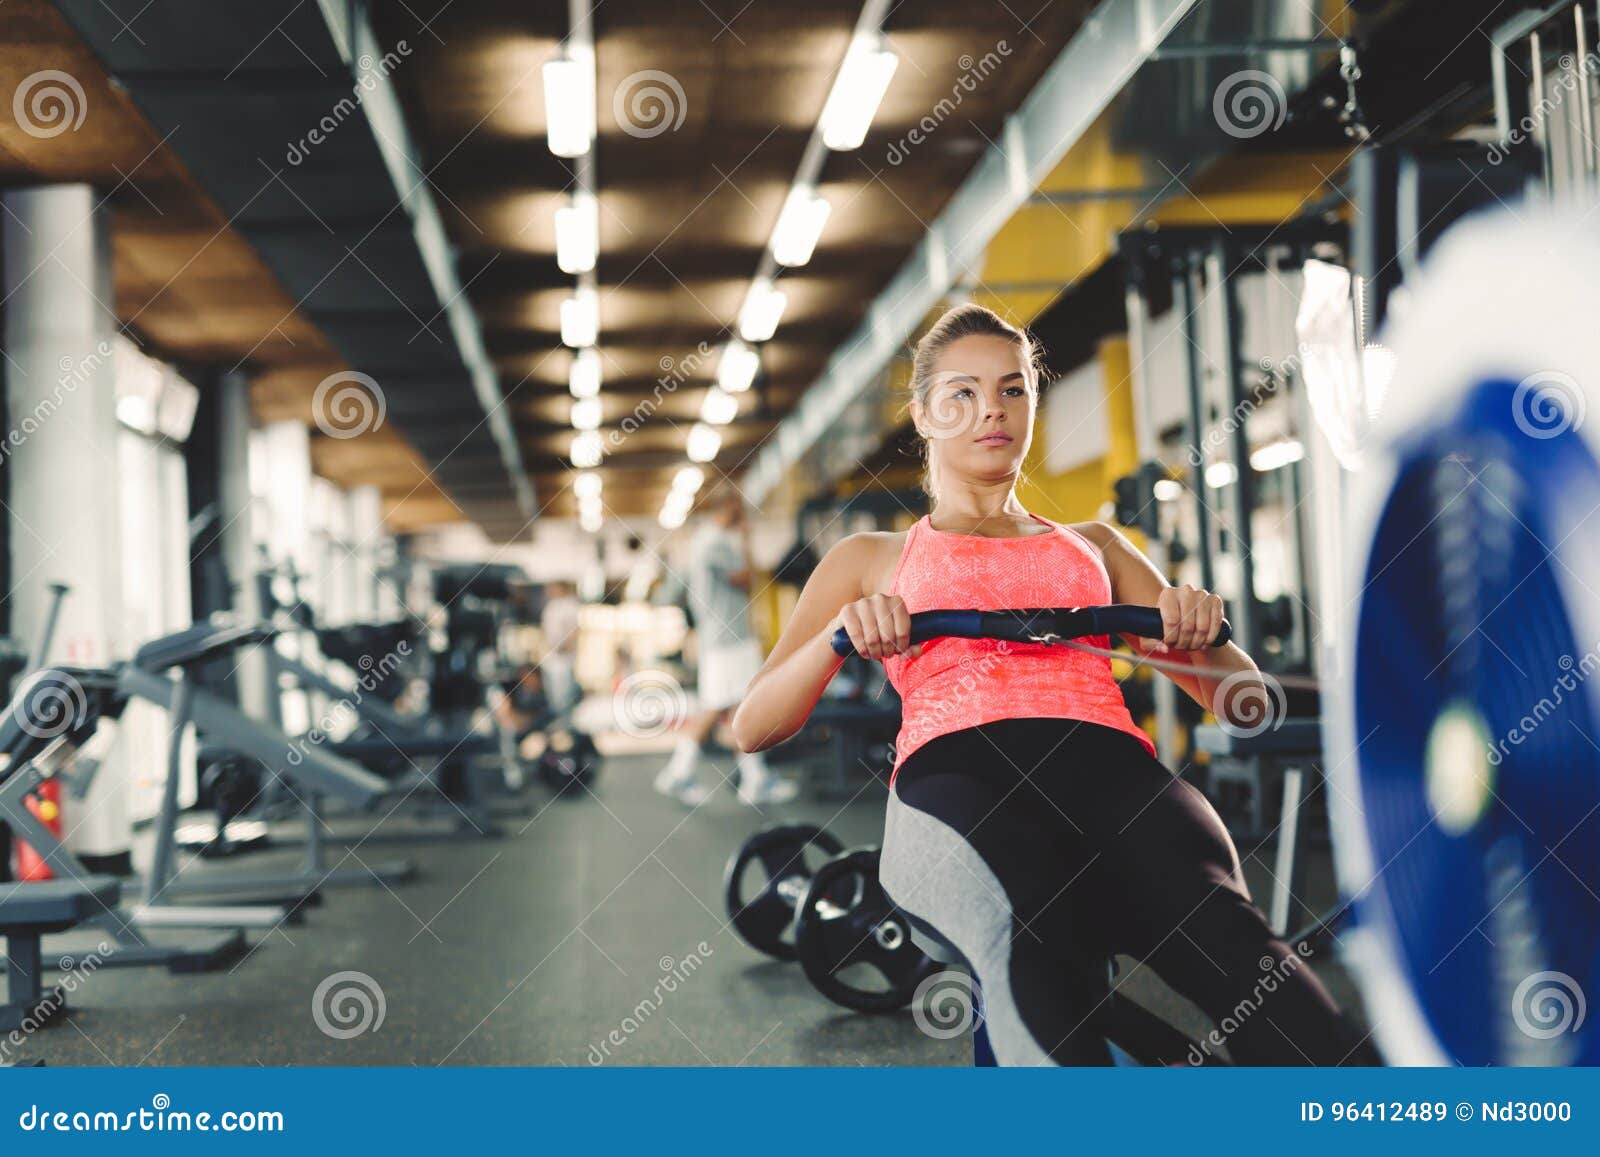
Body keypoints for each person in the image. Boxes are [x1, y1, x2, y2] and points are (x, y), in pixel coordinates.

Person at [731, 303, 1375, 1066]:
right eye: (964, 393)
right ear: (923, 415)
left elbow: (1248, 706)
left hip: (1115, 778)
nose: (993, 410)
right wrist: (841, 634)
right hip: (960, 783)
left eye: (1013, 389)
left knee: (1235, 945)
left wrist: (1205, 632)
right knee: (1033, 932)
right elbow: (754, 725)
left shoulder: (1096, 546)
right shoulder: (869, 557)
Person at [655, 489, 797, 807]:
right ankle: (679, 772)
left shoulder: (706, 541)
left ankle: (752, 779)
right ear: (729, 506)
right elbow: (747, 579)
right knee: (726, 706)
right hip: (728, 640)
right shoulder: (714, 542)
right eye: (740, 506)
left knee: (735, 709)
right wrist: (746, 538)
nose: (744, 511)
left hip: (724, 638)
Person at [539, 580, 581, 714]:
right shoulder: (551, 606)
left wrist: (564, 647)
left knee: (563, 696)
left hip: (563, 658)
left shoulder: (570, 605)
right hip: (551, 657)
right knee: (553, 696)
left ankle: (565, 718)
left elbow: (574, 630)